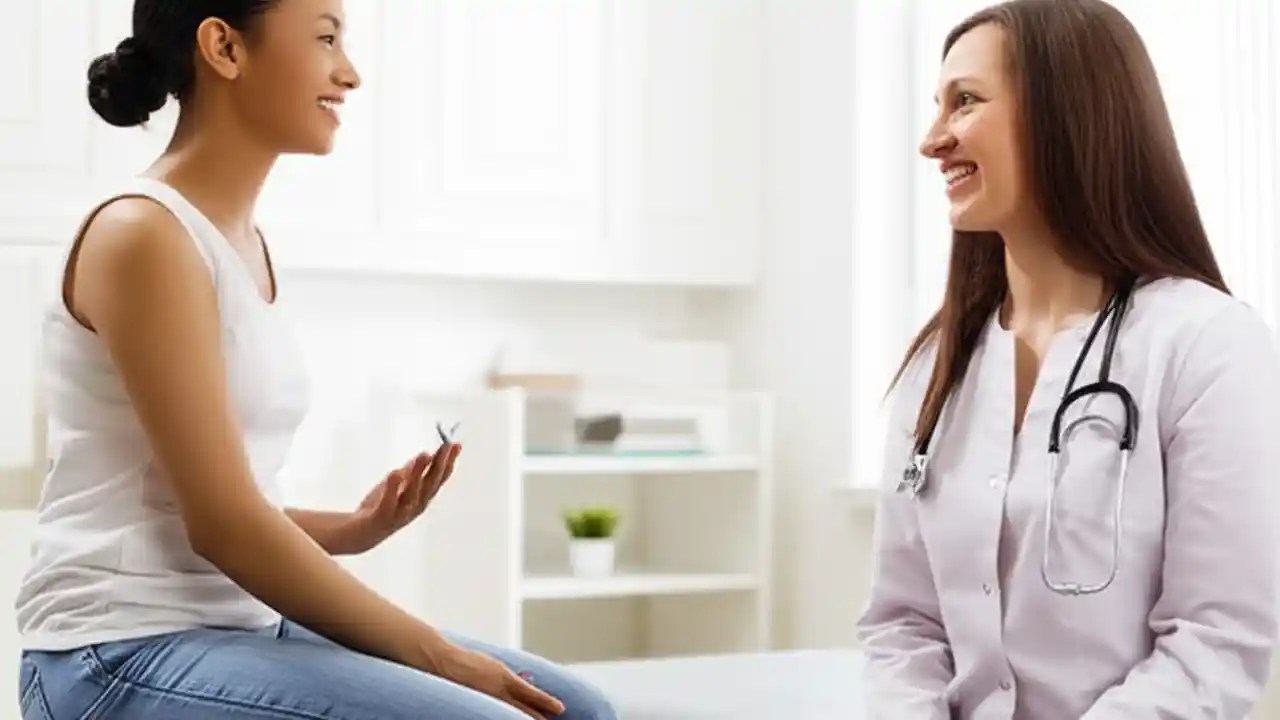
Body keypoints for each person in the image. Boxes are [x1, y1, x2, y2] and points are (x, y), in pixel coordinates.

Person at [13, 1, 617, 718]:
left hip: (236, 625)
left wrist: (354, 530)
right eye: (326, 38)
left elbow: (198, 501)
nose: (350, 73)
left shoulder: (239, 243)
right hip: (112, 654)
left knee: (577, 707)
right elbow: (225, 525)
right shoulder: (143, 235)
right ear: (224, 47)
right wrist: (439, 656)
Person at [856, 0, 1280, 717]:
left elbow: (1215, 643)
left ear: (1066, 115)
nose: (933, 141)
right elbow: (902, 625)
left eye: (965, 102)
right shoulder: (940, 363)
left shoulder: (1206, 345)